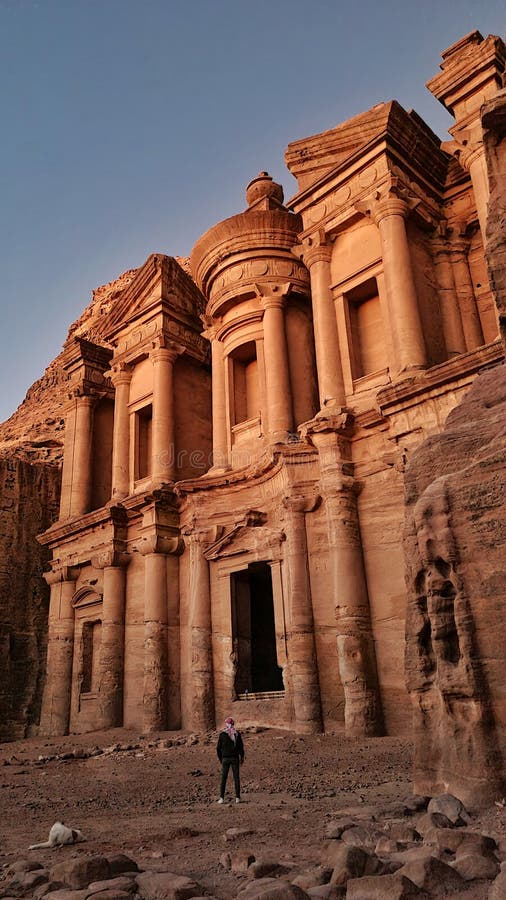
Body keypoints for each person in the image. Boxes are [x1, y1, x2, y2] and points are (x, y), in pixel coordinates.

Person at [216, 716, 244, 804]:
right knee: (236, 778)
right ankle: (237, 798)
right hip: (235, 758)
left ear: (226, 724)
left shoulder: (222, 734)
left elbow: (218, 748)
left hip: (225, 759)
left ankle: (221, 798)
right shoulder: (237, 734)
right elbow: (241, 747)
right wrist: (242, 757)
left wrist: (221, 759)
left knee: (223, 778)